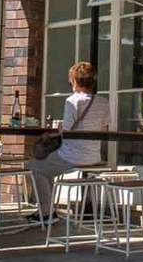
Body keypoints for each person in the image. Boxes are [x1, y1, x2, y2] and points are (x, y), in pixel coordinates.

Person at [26, 61, 109, 222]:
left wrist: (56, 131)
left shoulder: (72, 101)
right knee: (46, 167)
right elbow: (104, 130)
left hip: (72, 156)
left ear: (75, 81)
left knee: (33, 166)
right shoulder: (103, 102)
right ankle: (48, 210)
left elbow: (68, 131)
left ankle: (46, 212)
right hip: (94, 157)